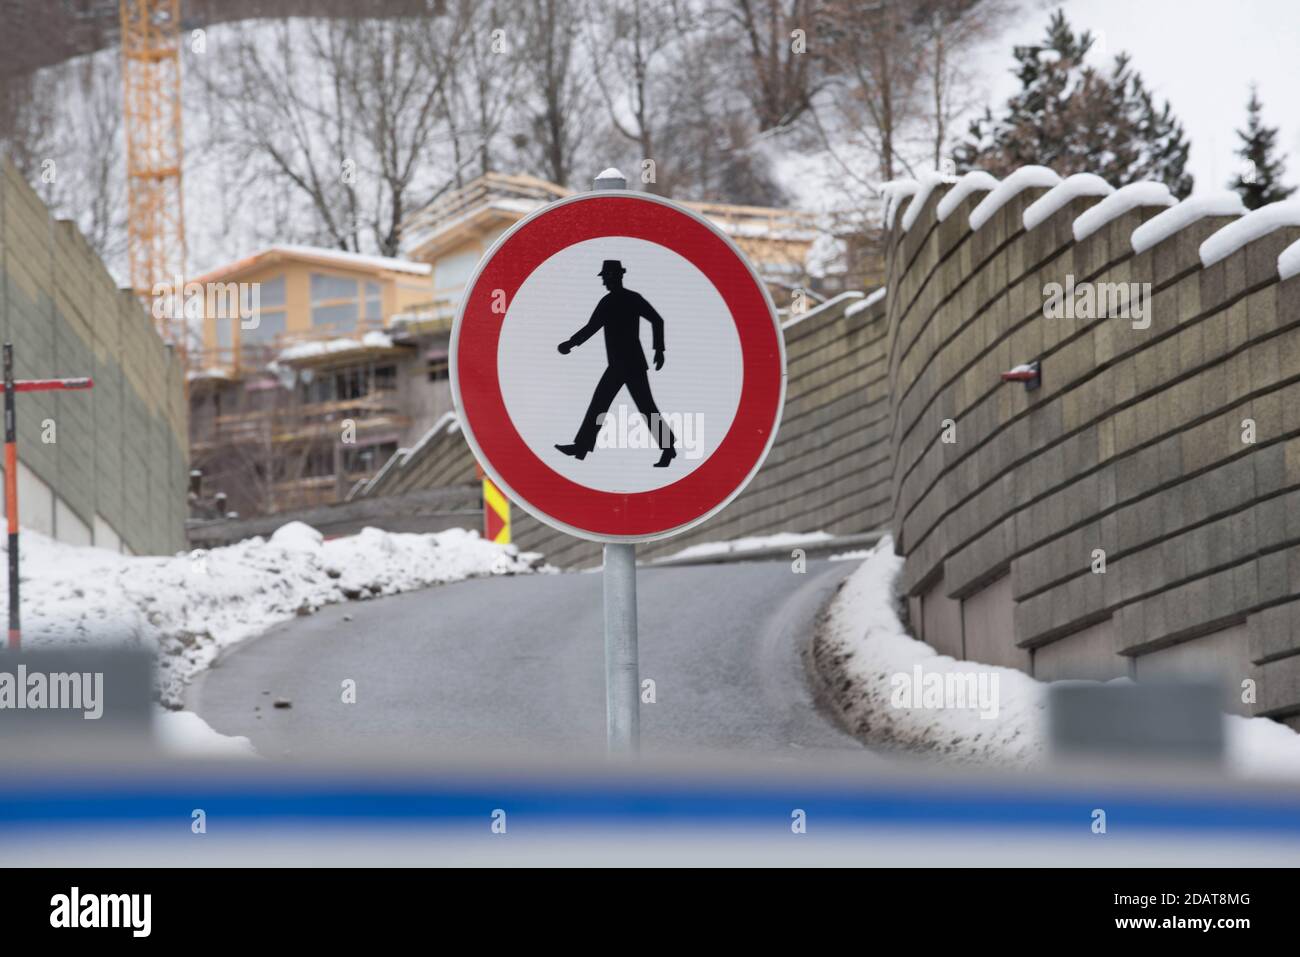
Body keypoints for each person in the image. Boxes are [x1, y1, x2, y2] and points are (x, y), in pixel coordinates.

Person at [555, 259, 677, 468]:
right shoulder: (607, 302)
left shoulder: (630, 299)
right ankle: (582, 446)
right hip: (617, 365)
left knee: (645, 408)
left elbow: (657, 320)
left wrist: (659, 349)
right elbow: (591, 328)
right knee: (600, 404)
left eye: (607, 278)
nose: (605, 282)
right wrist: (571, 344)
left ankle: (668, 449)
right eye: (604, 278)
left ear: (617, 277)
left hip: (632, 364)